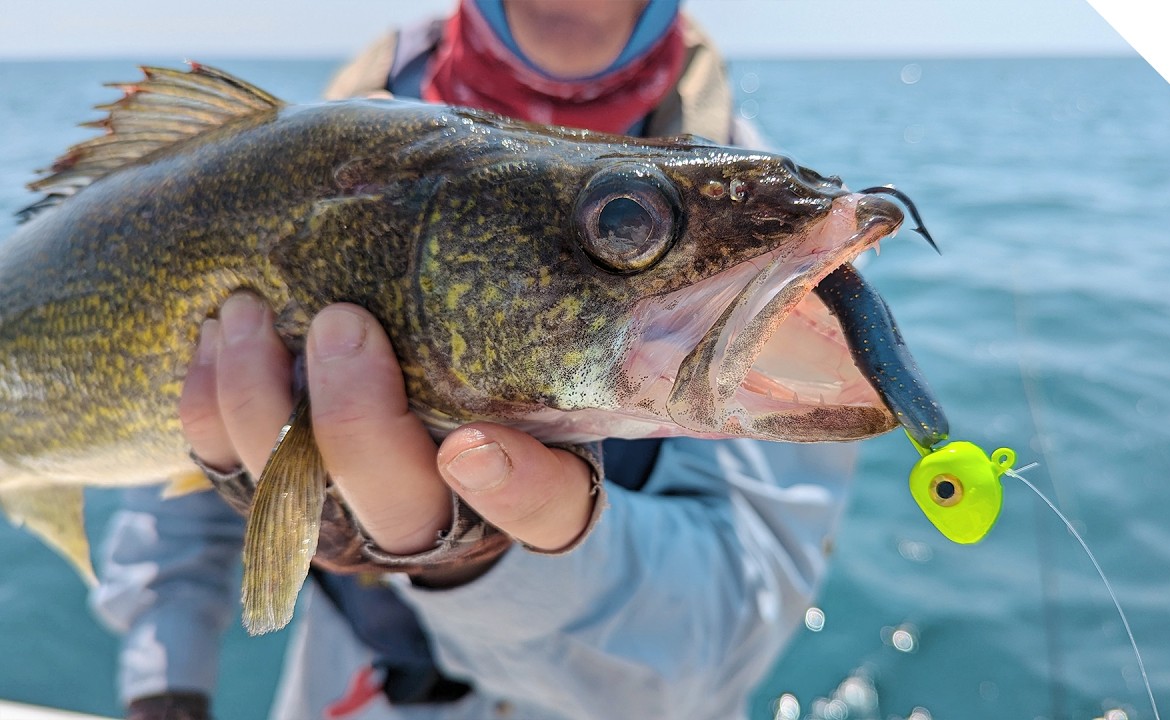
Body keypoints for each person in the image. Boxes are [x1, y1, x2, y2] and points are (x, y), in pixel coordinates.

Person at [91, 2, 859, 718]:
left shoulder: (759, 229)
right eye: (620, 229)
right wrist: (165, 680)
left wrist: (480, 563)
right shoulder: (297, 157)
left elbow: (724, 639)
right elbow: (186, 443)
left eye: (626, 228)